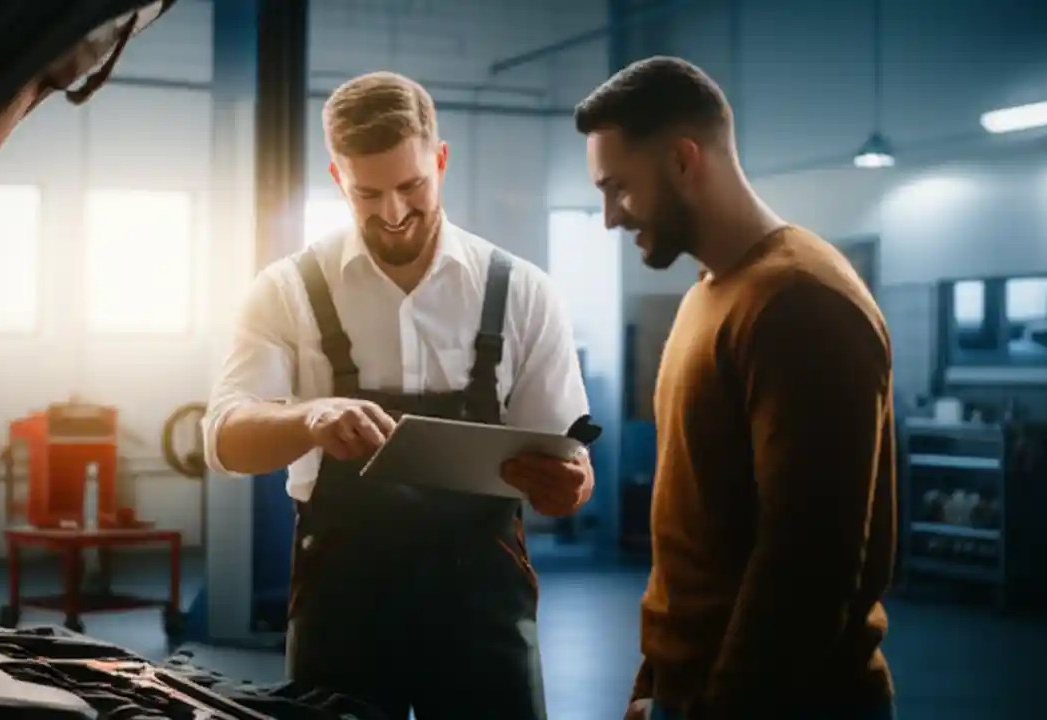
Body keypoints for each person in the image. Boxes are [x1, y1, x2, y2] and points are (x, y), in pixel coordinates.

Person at [202, 70, 594, 720]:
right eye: (368, 193)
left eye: (412, 186)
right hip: (342, 603)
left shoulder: (523, 292)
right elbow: (224, 441)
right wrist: (310, 418)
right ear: (338, 179)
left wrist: (572, 485)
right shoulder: (286, 290)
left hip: (483, 604)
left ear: (440, 160)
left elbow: (570, 469)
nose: (393, 212)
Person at [573, 57, 897, 720]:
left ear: (682, 160)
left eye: (618, 188)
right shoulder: (710, 293)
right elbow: (692, 537)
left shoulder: (801, 302)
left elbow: (807, 568)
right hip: (690, 694)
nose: (609, 218)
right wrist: (657, 682)